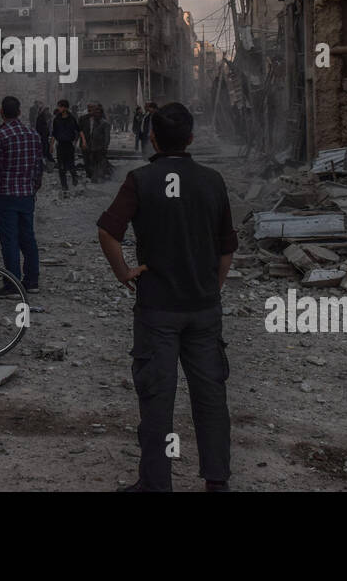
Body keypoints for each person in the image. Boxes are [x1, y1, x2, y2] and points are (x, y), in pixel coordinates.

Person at [97, 102, 237, 493]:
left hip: (157, 308)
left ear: (152, 138)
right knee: (211, 398)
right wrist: (212, 286)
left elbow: (108, 232)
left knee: (157, 399)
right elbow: (227, 249)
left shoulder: (140, 180)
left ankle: (155, 482)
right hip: (202, 308)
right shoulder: (212, 180)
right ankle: (216, 481)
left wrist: (123, 272)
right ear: (191, 138)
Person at [0, 95, 44, 296]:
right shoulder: (33, 134)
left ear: (2, 113)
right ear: (20, 112)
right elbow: (38, 166)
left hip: (6, 195)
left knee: (10, 240)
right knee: (28, 238)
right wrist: (33, 187)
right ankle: (32, 281)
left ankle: (12, 285)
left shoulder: (1, 136)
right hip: (26, 195)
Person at [51, 99, 82, 191]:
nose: (58, 108)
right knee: (61, 166)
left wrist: (79, 142)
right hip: (60, 145)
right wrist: (51, 145)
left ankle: (74, 177)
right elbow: (54, 133)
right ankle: (64, 185)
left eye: (60, 106)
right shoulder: (57, 119)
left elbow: (78, 130)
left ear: (65, 107)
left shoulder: (72, 118)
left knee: (70, 164)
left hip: (69, 145)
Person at [88, 103, 112, 182]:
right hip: (93, 147)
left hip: (101, 147)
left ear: (101, 114)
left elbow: (107, 137)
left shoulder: (105, 124)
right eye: (95, 113)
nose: (96, 115)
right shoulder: (92, 123)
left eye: (98, 113)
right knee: (93, 163)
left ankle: (101, 177)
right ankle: (95, 177)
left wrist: (105, 147)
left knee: (101, 163)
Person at [79, 102, 96, 180]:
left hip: (95, 143)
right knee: (86, 159)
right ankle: (88, 174)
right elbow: (79, 130)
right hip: (85, 142)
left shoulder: (98, 118)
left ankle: (93, 174)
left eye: (93, 108)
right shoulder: (83, 118)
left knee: (93, 159)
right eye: (90, 108)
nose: (91, 110)